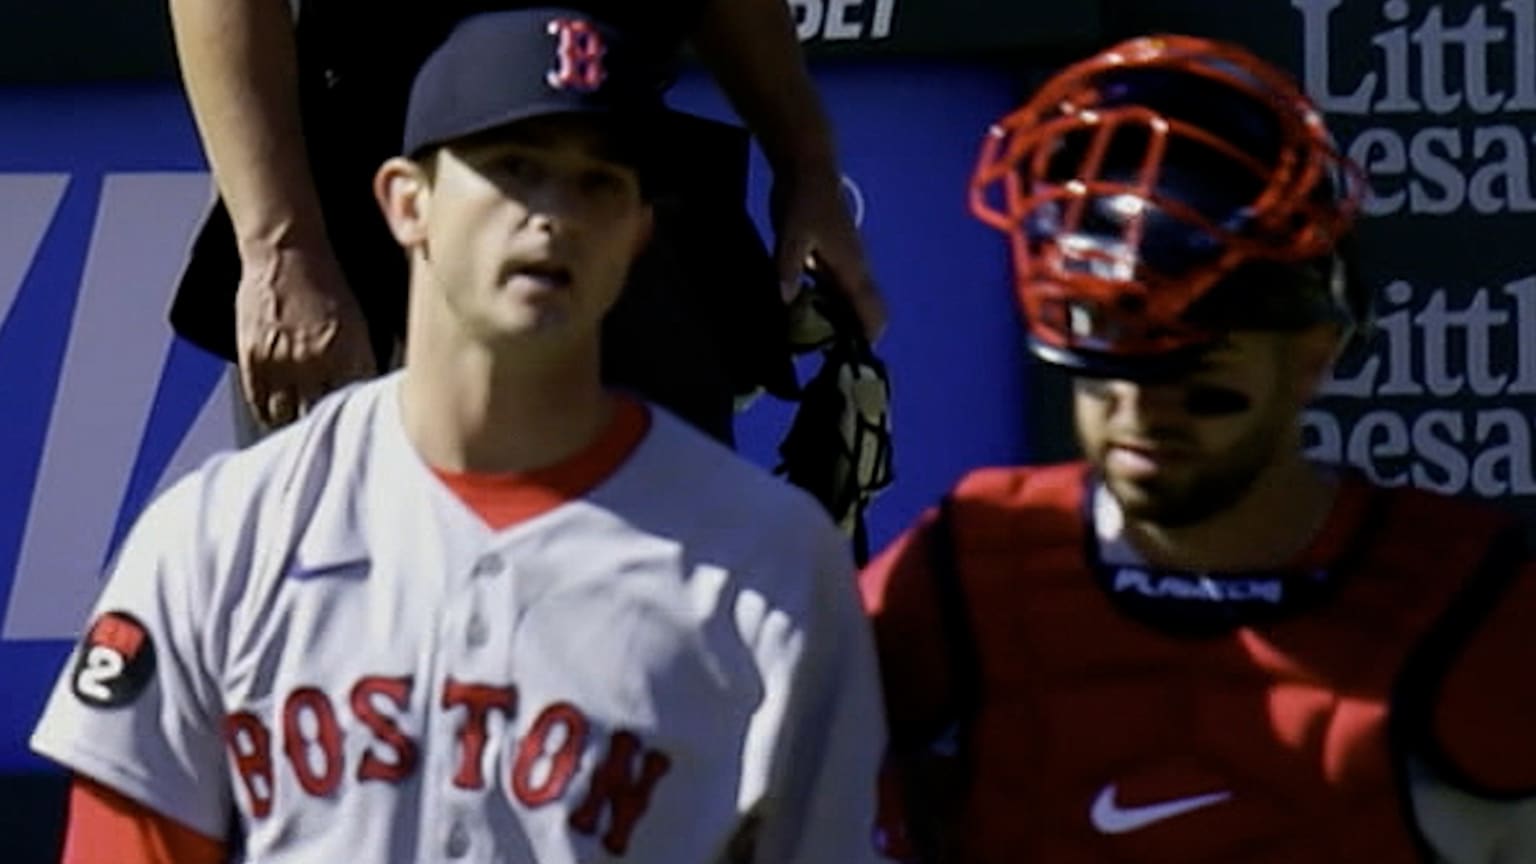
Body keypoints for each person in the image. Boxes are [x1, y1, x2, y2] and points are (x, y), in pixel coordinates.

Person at [32, 10, 886, 862]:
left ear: (634, 223)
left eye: (592, 187)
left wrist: (806, 156)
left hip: (625, 135)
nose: (547, 219)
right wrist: (278, 238)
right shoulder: (219, 542)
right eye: (517, 173)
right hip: (362, 158)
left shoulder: (764, 557)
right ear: (409, 202)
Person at [860, 34, 1536, 864]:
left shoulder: (1472, 596)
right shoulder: (974, 562)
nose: (1143, 412)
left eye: (1196, 373)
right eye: (1107, 366)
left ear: (1311, 356)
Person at [165, 0, 883, 445]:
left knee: (659, 608)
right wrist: (281, 246)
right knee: (339, 620)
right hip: (373, 213)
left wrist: (807, 163)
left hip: (617, 185)